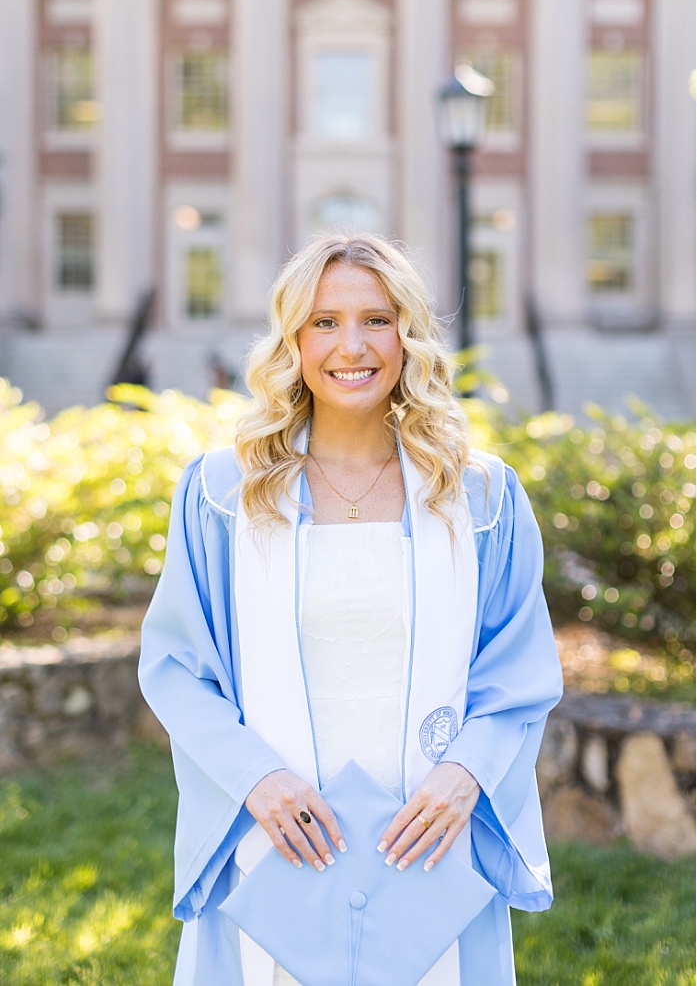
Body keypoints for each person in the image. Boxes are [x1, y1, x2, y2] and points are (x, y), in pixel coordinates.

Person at [138, 233, 563, 985]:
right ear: (292, 340)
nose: (352, 345)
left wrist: (466, 772)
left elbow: (519, 667)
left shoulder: (482, 498)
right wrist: (254, 780)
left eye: (376, 318)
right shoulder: (222, 494)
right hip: (273, 839)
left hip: (429, 837)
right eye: (325, 321)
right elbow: (176, 667)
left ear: (409, 334)